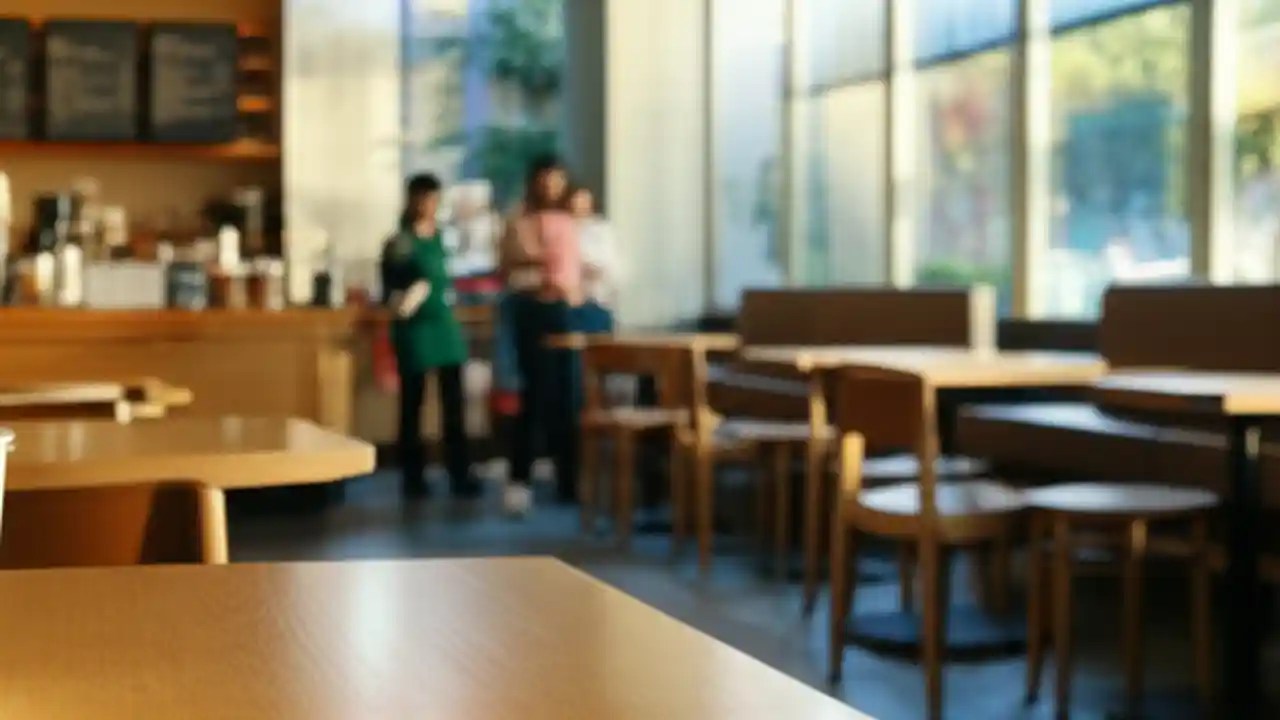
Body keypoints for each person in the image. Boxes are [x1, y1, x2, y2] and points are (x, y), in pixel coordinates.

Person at [381, 173, 477, 499]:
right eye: (422, 198)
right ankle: (413, 478)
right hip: (415, 329)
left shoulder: (441, 238)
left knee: (454, 405)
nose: (428, 205)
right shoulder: (400, 243)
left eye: (433, 199)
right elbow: (389, 290)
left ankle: (460, 474)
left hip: (444, 326)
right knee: (413, 405)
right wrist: (408, 294)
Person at [500, 155, 583, 516]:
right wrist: (541, 264)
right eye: (545, 180)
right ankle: (521, 479)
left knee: (568, 397)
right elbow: (511, 264)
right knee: (534, 395)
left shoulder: (570, 221)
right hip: (532, 308)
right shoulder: (518, 220)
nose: (550, 187)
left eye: (557, 180)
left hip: (564, 309)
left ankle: (569, 480)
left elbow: (572, 269)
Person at [568, 186, 619, 334]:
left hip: (597, 299)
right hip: (569, 301)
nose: (579, 205)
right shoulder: (563, 228)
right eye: (576, 200)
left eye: (584, 201)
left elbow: (607, 262)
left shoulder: (600, 230)